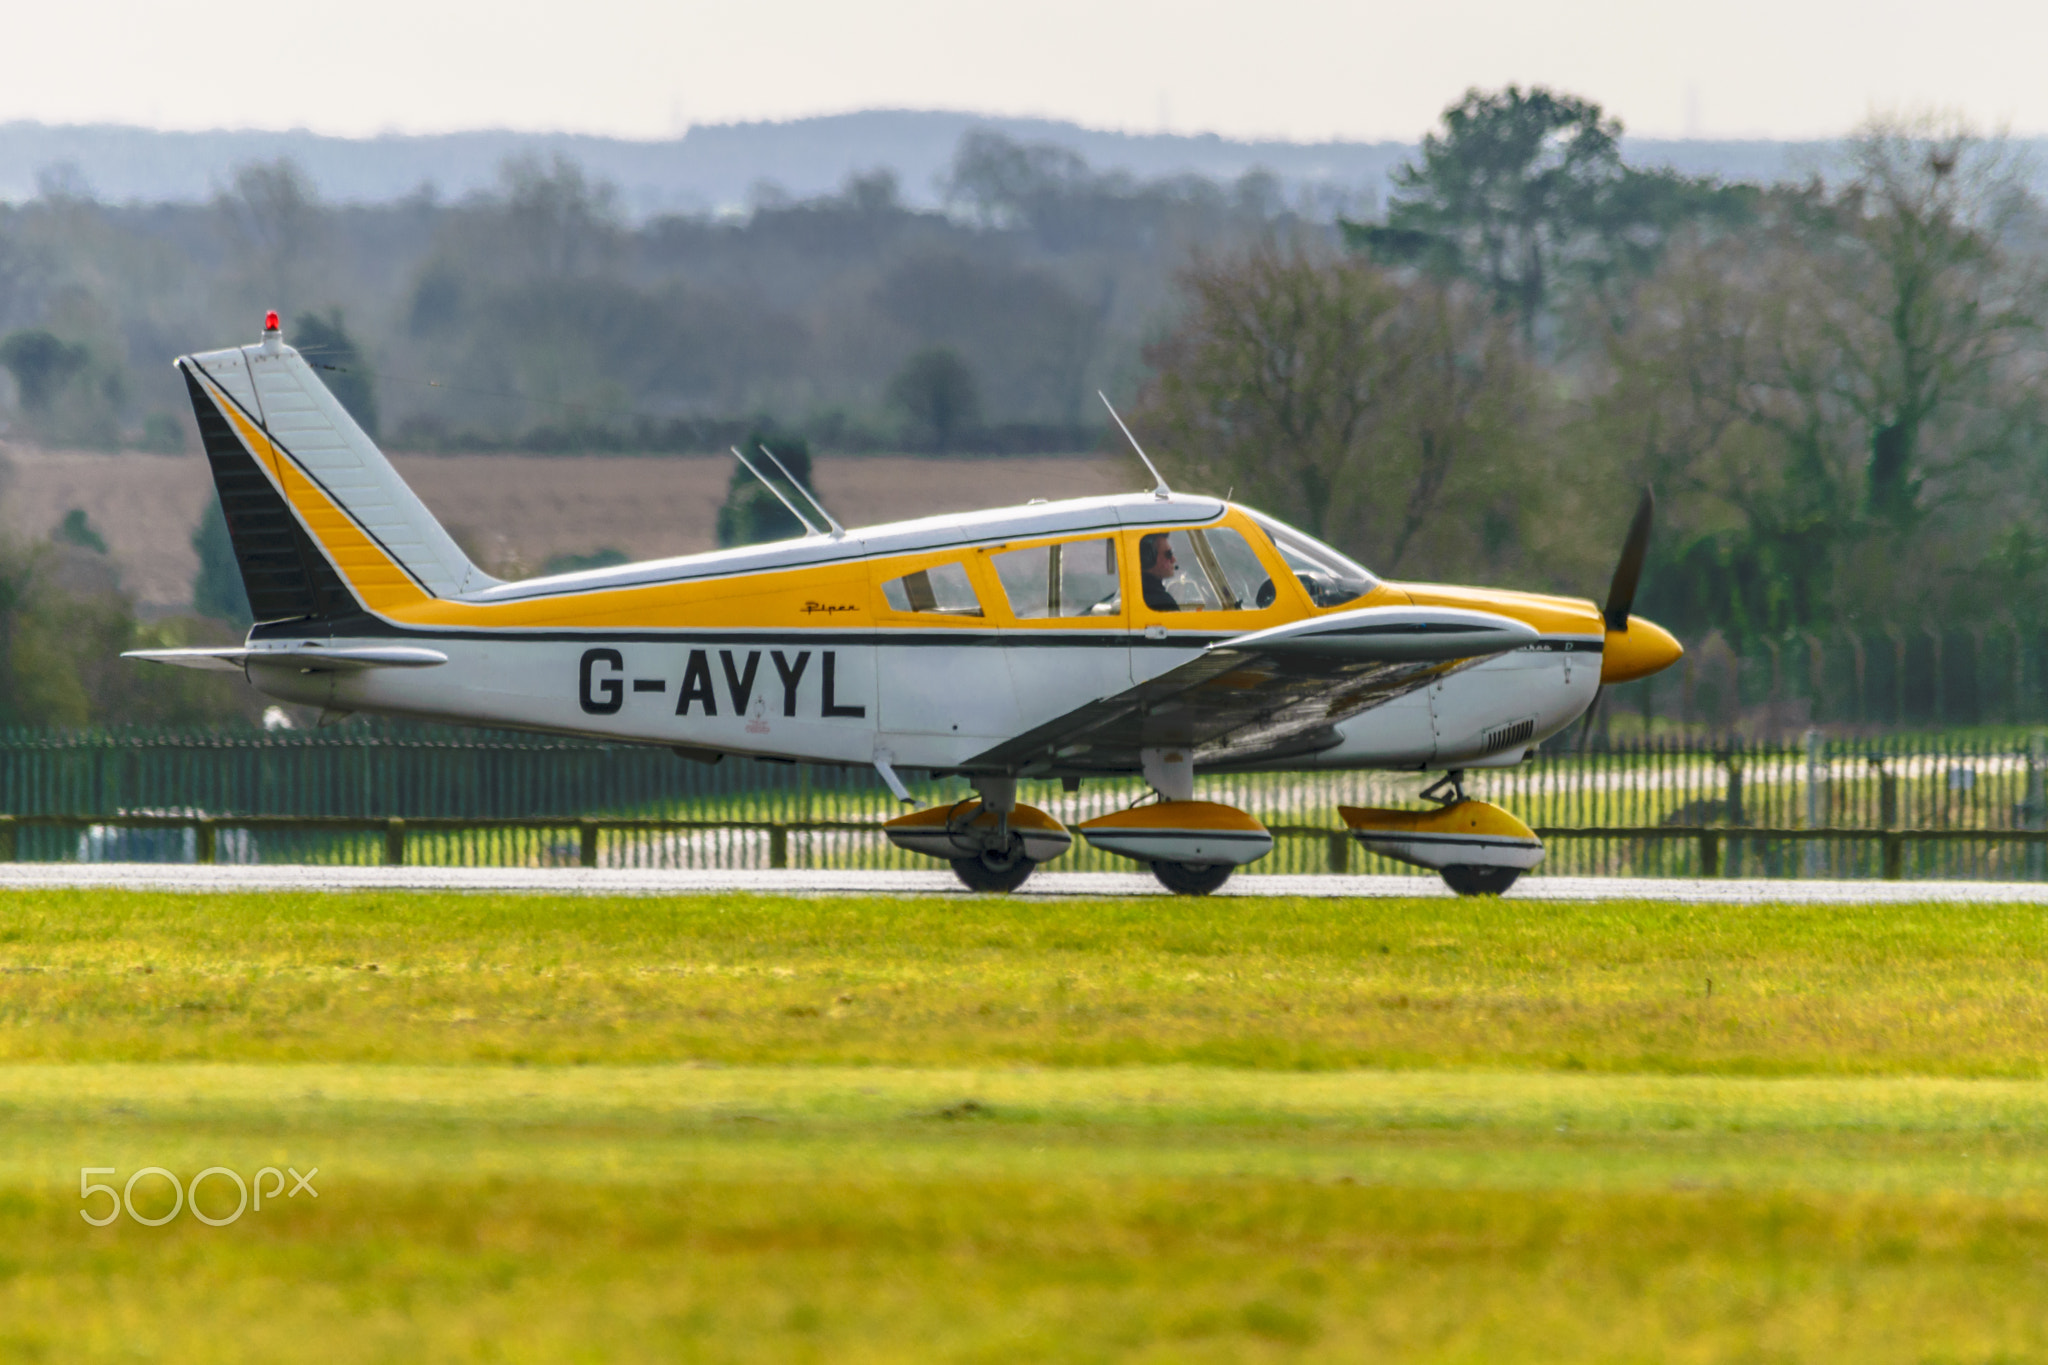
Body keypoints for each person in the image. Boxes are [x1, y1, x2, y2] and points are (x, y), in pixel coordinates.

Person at [1139, 532, 1181, 612]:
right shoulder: (1162, 602)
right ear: (1148, 558)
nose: (1173, 559)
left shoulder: (1126, 593)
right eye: (1168, 554)